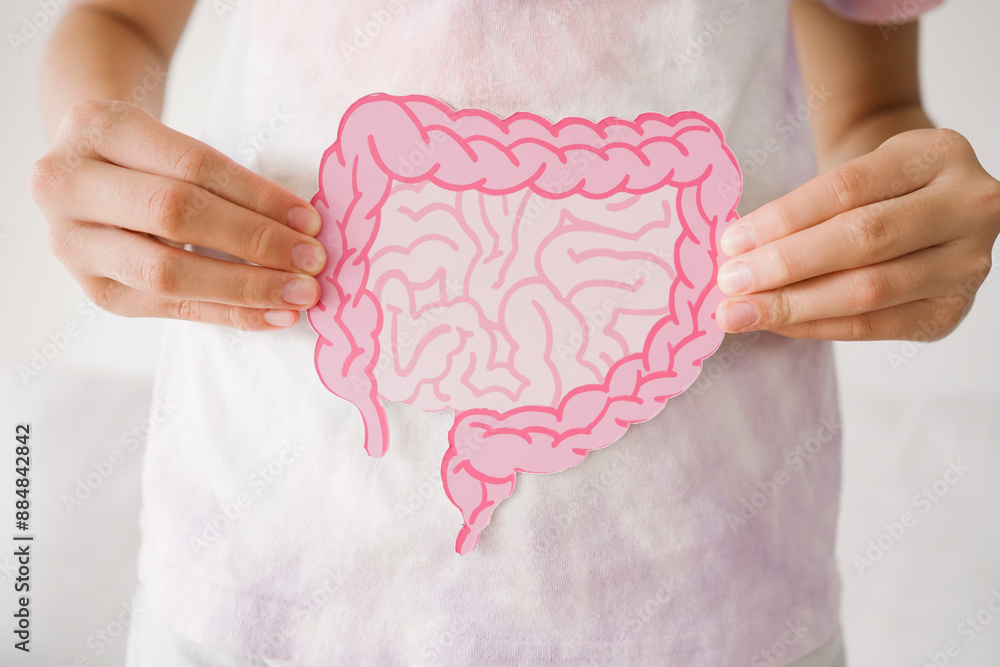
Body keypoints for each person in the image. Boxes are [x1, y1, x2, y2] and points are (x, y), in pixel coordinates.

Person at [28, 1, 999, 665]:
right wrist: (94, 142)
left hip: (711, 595)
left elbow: (869, 105)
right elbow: (116, 17)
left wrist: (907, 214)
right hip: (260, 579)